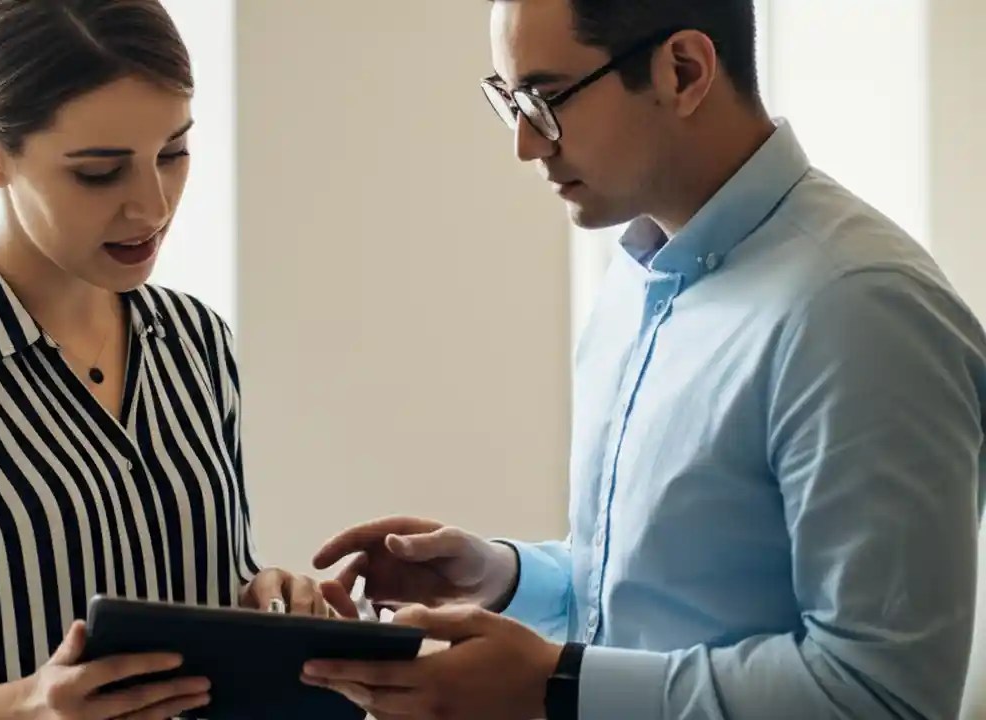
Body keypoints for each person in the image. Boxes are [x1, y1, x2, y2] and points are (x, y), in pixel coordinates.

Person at [303, 0, 986, 718]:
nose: (526, 145)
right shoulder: (637, 278)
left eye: (547, 98)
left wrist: (554, 684)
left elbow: (882, 696)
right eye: (511, 102)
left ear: (683, 71)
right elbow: (654, 600)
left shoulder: (861, 311)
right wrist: (498, 577)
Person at [0, 2, 334, 718]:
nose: (152, 206)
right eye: (99, 173)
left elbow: (204, 585)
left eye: (173, 153)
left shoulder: (196, 342)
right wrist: (29, 708)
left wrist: (261, 599)